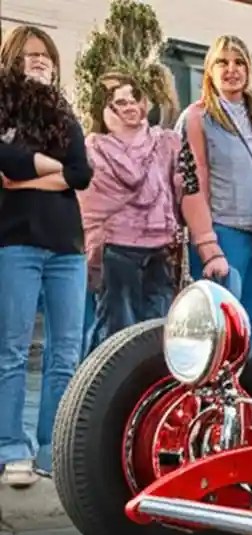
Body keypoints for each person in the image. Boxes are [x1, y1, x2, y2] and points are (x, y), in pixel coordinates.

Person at [0, 26, 93, 486]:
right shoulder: (3, 107)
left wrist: (29, 176)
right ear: (14, 59)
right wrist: (52, 169)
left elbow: (82, 173)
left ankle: (49, 450)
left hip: (67, 247)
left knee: (65, 353)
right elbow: (7, 160)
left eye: (47, 57)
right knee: (13, 351)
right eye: (32, 55)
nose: (41, 62)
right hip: (15, 241)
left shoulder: (63, 111)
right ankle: (10, 448)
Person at [80, 71, 213, 349]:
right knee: (116, 338)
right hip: (116, 252)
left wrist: (208, 247)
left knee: (158, 337)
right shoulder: (94, 149)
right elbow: (95, 202)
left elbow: (189, 190)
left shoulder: (169, 143)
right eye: (118, 102)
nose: (130, 107)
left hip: (161, 252)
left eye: (134, 99)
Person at [173, 35, 252, 346]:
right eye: (222, 62)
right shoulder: (197, 117)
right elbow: (189, 182)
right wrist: (207, 244)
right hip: (222, 233)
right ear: (210, 69)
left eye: (239, 62)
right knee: (221, 333)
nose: (231, 69)